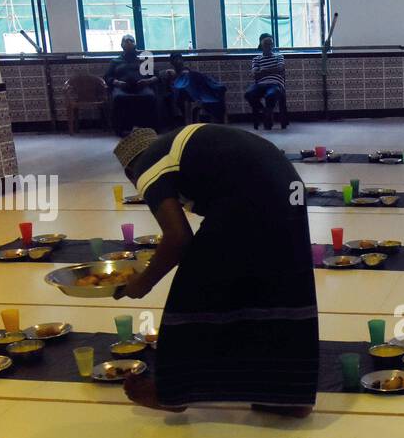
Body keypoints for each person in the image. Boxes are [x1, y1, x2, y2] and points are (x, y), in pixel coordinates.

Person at [111, 125, 318, 416]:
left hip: (249, 197)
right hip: (287, 190)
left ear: (129, 173)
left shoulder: (146, 165)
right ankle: (286, 396)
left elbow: (179, 238)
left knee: (194, 290)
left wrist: (142, 283)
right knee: (272, 289)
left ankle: (173, 392)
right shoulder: (180, 148)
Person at [103, 35, 160, 136]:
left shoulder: (143, 60)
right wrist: (117, 82)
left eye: (131, 41)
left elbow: (156, 76)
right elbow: (107, 77)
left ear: (135, 44)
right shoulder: (115, 61)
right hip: (122, 87)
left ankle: (147, 128)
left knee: (150, 96)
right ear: (122, 45)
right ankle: (123, 129)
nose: (129, 43)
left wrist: (147, 81)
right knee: (119, 98)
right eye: (126, 41)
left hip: (141, 86)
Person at [167, 53, 227, 124]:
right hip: (190, 94)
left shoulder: (189, 73)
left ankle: (214, 90)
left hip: (198, 91)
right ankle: (213, 92)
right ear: (172, 63)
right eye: (175, 59)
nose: (178, 61)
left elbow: (200, 80)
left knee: (198, 78)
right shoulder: (171, 74)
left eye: (179, 59)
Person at [245, 33, 289, 130]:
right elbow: (255, 73)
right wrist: (272, 70)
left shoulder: (279, 56)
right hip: (260, 84)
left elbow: (280, 68)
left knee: (271, 95)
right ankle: (265, 112)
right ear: (261, 45)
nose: (269, 46)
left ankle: (267, 117)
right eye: (266, 44)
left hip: (275, 83)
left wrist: (263, 71)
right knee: (248, 94)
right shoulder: (256, 59)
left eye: (271, 44)